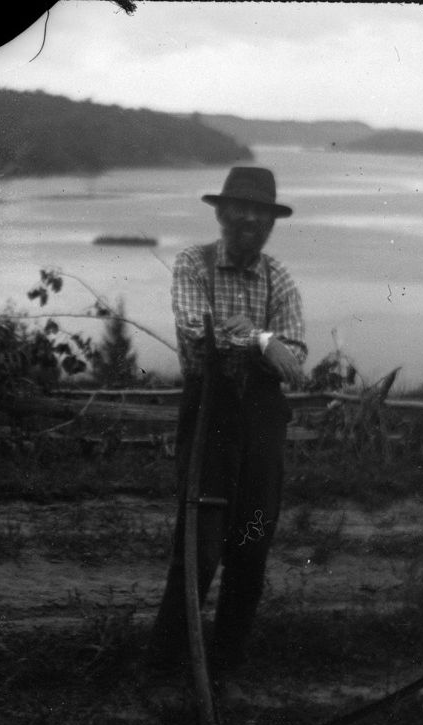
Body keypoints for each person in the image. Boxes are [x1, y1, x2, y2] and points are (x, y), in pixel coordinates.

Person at [146, 166, 308, 692]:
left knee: (253, 543)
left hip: (262, 421)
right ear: (220, 213)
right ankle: (166, 668)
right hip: (211, 414)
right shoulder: (194, 263)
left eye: (261, 211)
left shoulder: (278, 278)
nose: (250, 219)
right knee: (200, 547)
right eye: (240, 208)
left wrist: (248, 335)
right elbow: (197, 341)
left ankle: (226, 667)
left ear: (271, 222)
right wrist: (263, 342)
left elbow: (296, 356)